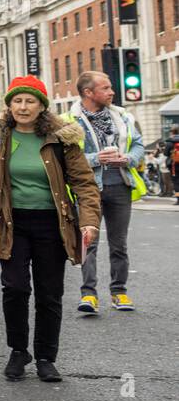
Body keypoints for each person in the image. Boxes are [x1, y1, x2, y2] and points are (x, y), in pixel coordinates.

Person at [0, 78, 100, 383]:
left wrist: (89, 220)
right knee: (16, 288)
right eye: (17, 101)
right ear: (9, 105)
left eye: (30, 101)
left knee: (50, 293)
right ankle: (18, 351)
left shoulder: (62, 138)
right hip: (11, 223)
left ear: (42, 106)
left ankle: (47, 356)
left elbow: (84, 183)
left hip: (53, 224)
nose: (23, 107)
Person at [64, 71, 146, 314]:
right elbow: (64, 156)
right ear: (89, 92)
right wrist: (94, 158)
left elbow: (139, 144)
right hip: (88, 188)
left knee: (119, 243)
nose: (112, 92)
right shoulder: (69, 120)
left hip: (120, 184)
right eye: (106, 88)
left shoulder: (122, 116)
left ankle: (119, 292)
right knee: (88, 243)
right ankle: (88, 295)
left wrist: (128, 158)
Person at [166, 124, 179, 204]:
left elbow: (166, 153)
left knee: (176, 182)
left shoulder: (170, 141)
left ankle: (178, 199)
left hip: (174, 165)